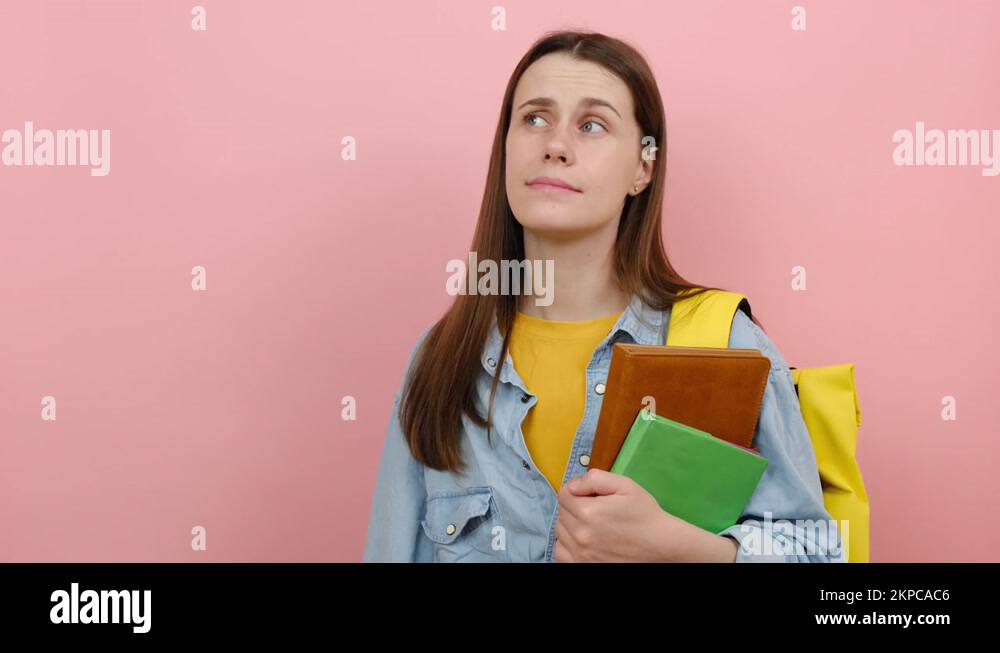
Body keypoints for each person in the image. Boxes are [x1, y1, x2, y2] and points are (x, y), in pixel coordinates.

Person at [363, 30, 840, 563]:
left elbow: (818, 552)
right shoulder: (443, 358)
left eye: (592, 125)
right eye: (534, 118)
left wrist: (679, 548)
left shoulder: (723, 343)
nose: (555, 145)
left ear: (643, 167)